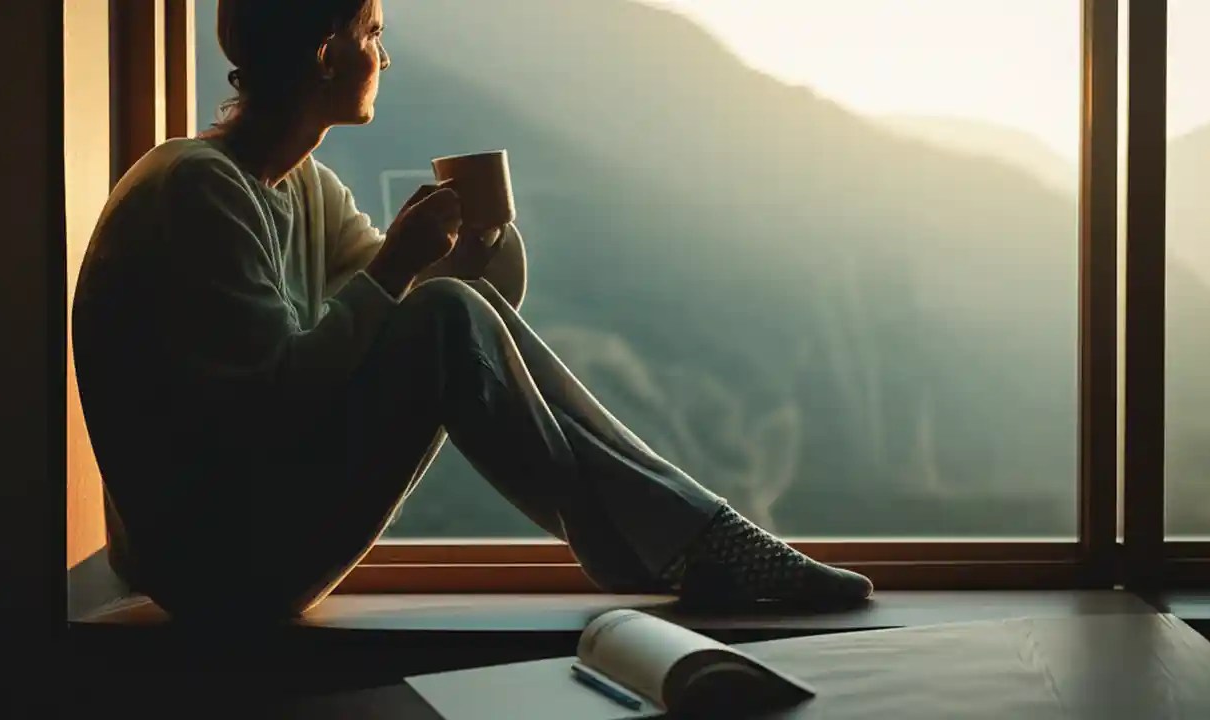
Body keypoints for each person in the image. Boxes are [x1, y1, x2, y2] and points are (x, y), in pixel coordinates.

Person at [72, 0, 873, 621]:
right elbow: (275, 398)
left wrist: (480, 236)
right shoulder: (198, 190)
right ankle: (685, 541)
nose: (385, 55)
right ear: (326, 54)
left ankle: (674, 541)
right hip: (216, 568)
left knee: (448, 309)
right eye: (371, 32)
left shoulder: (300, 186)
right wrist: (399, 263)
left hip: (264, 527)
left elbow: (433, 317)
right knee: (444, 313)